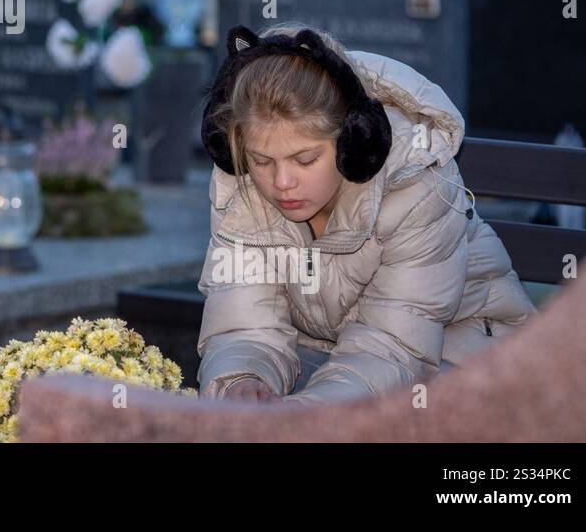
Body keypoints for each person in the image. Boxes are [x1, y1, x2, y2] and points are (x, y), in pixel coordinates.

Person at [195, 22, 537, 405]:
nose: (282, 181)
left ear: (353, 143)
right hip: (331, 359)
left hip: (461, 358)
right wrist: (244, 379)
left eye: (305, 159)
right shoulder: (241, 187)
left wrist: (303, 413)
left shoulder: (417, 187)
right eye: (261, 160)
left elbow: (392, 347)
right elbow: (243, 321)